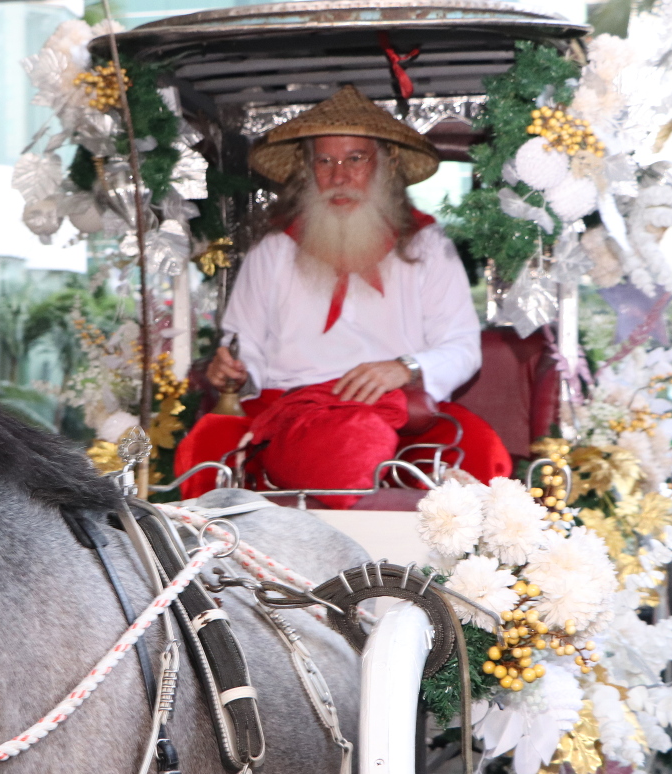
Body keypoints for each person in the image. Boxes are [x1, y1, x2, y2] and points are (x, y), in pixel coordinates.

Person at [205, 85, 483, 503]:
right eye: (325, 161)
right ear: (308, 169)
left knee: (487, 461)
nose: (339, 177)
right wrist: (237, 372)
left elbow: (463, 349)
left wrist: (404, 368)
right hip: (298, 415)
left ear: (385, 165)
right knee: (348, 446)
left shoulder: (428, 246)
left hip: (403, 413)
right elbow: (245, 349)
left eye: (355, 159)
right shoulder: (274, 251)